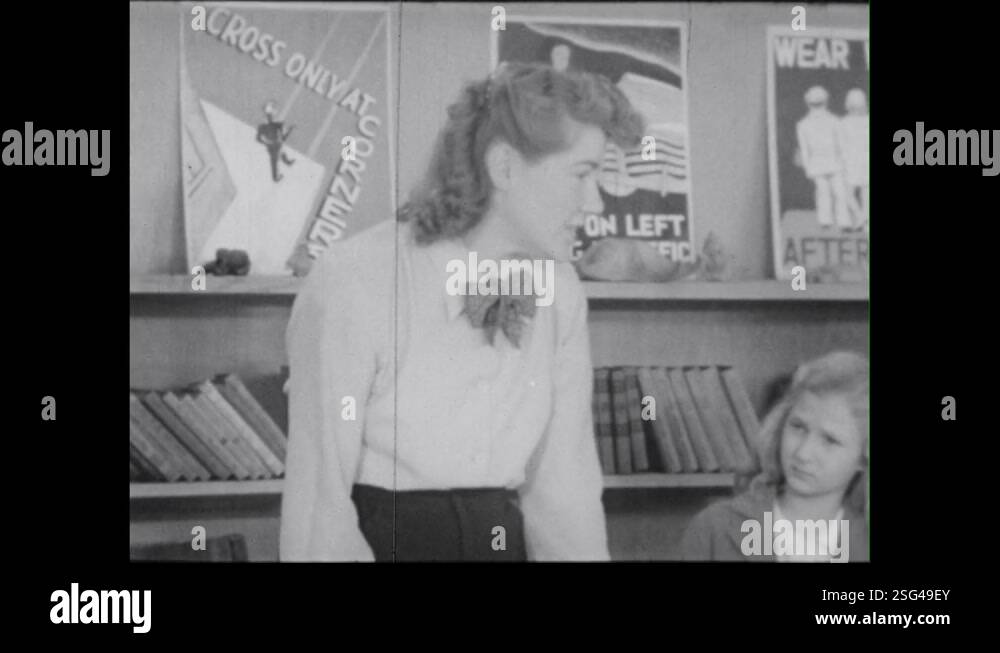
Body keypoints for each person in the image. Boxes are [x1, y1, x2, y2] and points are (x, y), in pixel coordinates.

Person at [279, 62, 644, 561]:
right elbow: (320, 506)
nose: (595, 204)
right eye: (582, 175)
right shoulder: (354, 280)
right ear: (505, 168)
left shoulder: (560, 290)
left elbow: (565, 491)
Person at [681, 351, 869, 562]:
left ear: (863, 458)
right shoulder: (715, 528)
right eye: (798, 427)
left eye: (830, 440)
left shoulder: (863, 540)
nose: (803, 453)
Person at [796, 86, 851, 229]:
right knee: (828, 192)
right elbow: (805, 149)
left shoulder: (833, 121)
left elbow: (841, 144)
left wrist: (844, 161)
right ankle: (828, 220)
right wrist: (808, 166)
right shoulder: (804, 124)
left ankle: (840, 221)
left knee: (835, 192)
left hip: (832, 162)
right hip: (821, 162)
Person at [838, 88, 869, 233]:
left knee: (848, 193)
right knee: (865, 193)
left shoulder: (843, 123)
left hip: (851, 160)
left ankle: (861, 219)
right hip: (865, 159)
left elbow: (840, 145)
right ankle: (864, 220)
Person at [256, 100, 295, 182]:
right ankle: (276, 177)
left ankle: (287, 162)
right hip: (274, 145)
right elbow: (283, 137)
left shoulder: (268, 126)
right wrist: (289, 130)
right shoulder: (267, 126)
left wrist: (266, 142)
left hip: (275, 144)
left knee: (281, 153)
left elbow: (258, 139)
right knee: (275, 160)